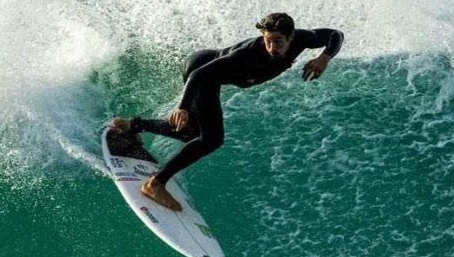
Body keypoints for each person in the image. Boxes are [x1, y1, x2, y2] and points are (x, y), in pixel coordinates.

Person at [111, 12, 344, 211]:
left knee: (192, 135)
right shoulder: (249, 54)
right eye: (267, 41)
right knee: (211, 139)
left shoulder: (303, 38)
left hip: (210, 73)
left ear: (291, 37)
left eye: (278, 41)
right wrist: (182, 107)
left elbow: (335, 34)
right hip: (202, 70)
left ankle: (131, 125)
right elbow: (199, 75)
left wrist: (324, 57)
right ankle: (156, 184)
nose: (272, 47)